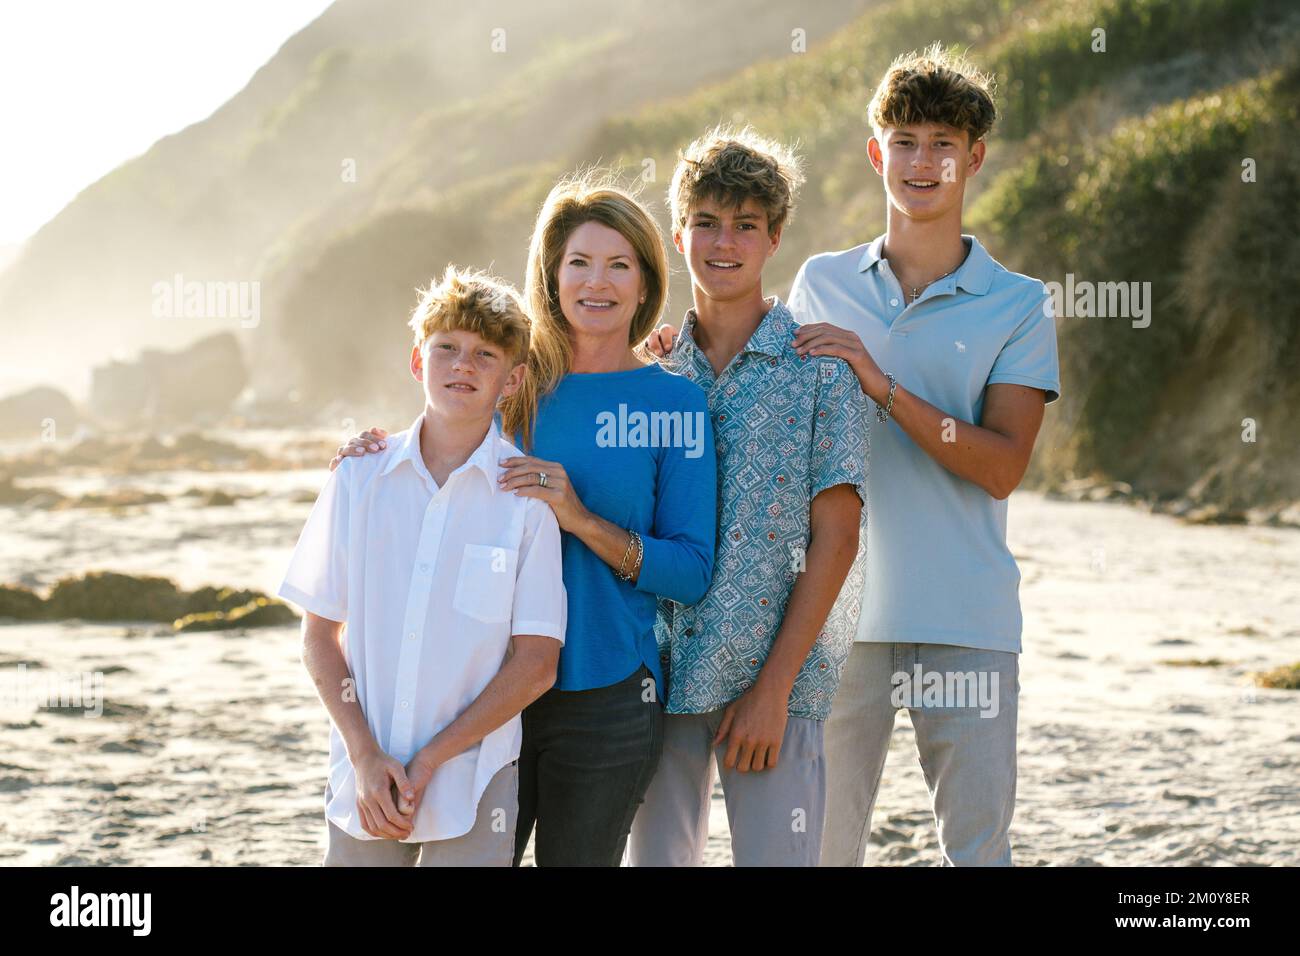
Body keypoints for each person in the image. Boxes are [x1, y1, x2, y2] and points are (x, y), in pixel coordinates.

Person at [331, 173, 718, 866]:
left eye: (618, 265)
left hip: (605, 698)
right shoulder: (512, 385)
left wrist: (581, 519)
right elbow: (435, 453)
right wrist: (369, 447)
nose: (596, 282)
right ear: (551, 272)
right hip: (479, 696)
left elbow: (690, 573)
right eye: (579, 262)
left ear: (645, 281)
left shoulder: (674, 406)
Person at [788, 45, 1062, 866]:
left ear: (975, 158)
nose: (923, 160)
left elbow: (1002, 464)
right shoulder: (820, 282)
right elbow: (770, 415)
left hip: (967, 623)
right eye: (904, 139)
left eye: (944, 141)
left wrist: (884, 386)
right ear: (877, 153)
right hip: (841, 622)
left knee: (979, 853)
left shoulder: (1017, 304)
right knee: (820, 851)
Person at [629, 126, 868, 866]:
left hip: (778, 682)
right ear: (678, 233)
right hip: (657, 678)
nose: (723, 242)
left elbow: (838, 537)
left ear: (775, 239)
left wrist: (773, 686)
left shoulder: (822, 370)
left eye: (745, 225)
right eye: (706, 222)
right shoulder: (649, 374)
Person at [279, 266, 566, 866]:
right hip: (364, 778)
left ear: (511, 381)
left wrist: (434, 757)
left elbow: (537, 664)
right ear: (418, 361)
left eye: (485, 355)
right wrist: (362, 754)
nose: (463, 364)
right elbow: (318, 633)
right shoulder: (359, 477)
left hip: (474, 778)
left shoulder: (525, 503)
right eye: (447, 349)